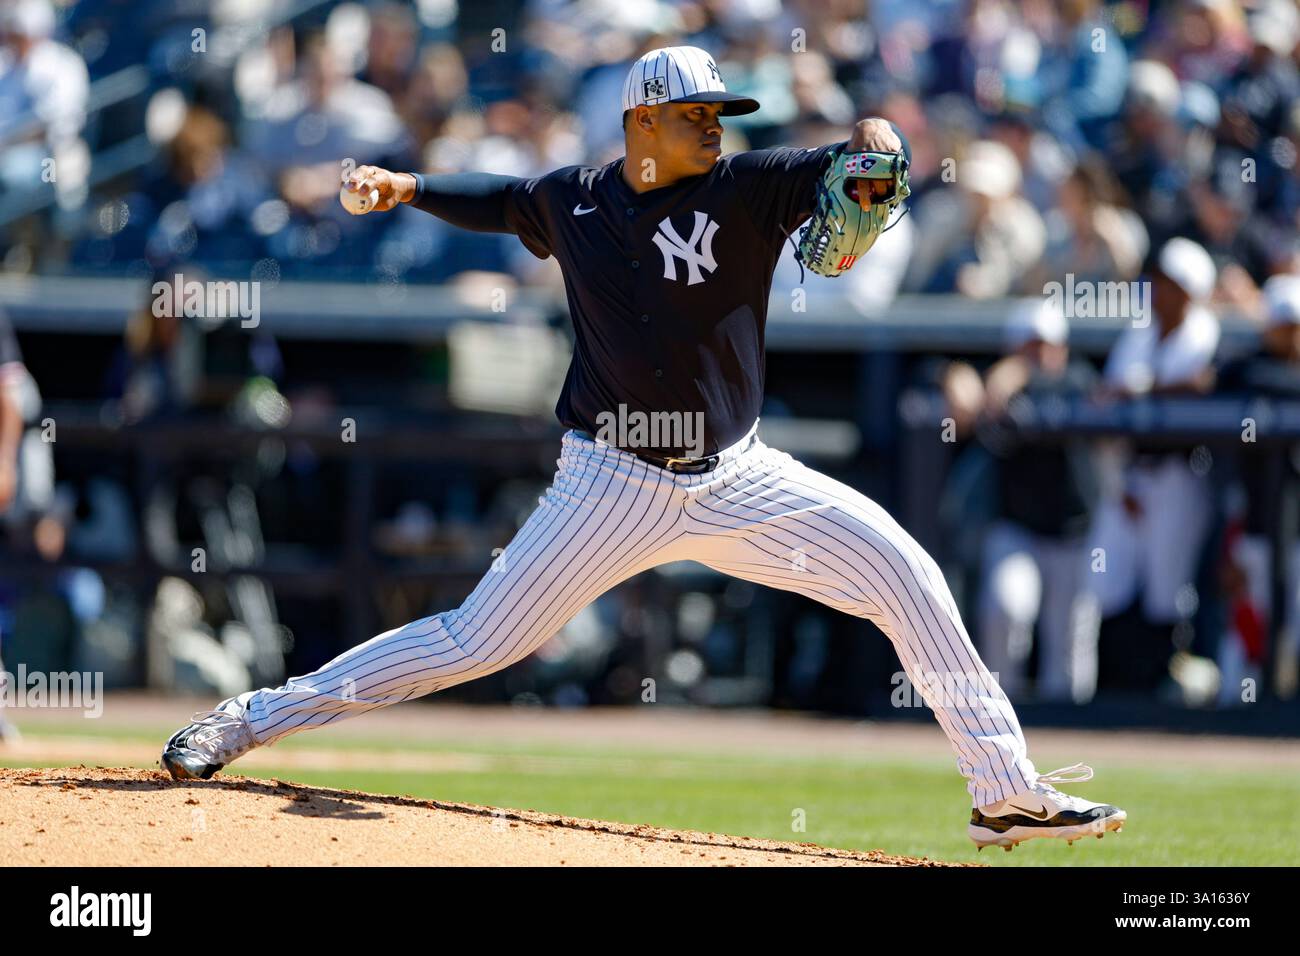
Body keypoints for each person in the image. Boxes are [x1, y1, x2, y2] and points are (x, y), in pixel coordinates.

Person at [162, 46, 1126, 851]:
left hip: (738, 475)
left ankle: (1003, 790)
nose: (716, 125)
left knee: (907, 573)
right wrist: (409, 185)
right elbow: (498, 199)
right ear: (642, 122)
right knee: (470, 642)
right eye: (697, 112)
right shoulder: (574, 199)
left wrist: (873, 142)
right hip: (609, 482)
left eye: (722, 111)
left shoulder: (749, 186)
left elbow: (849, 172)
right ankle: (249, 719)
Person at [944, 300, 1101, 703]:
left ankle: (1071, 740)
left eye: (1049, 346)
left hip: (1075, 533)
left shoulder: (1077, 379)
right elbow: (942, 381)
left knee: (1068, 654)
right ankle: (997, 713)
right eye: (1031, 348)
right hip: (1016, 528)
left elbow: (1073, 388)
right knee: (1006, 608)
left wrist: (1019, 375)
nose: (1043, 355)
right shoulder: (995, 386)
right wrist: (952, 375)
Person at [1088, 237, 1221, 687]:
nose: (1159, 291)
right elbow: (1110, 404)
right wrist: (1116, 485)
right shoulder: (1140, 333)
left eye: (1170, 284)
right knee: (1105, 581)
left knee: (1168, 589)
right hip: (1132, 474)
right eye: (1157, 281)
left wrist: (1142, 391)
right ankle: (1107, 687)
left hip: (1181, 475)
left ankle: (1162, 685)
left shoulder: (1205, 332)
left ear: (1190, 291)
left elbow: (1200, 388)